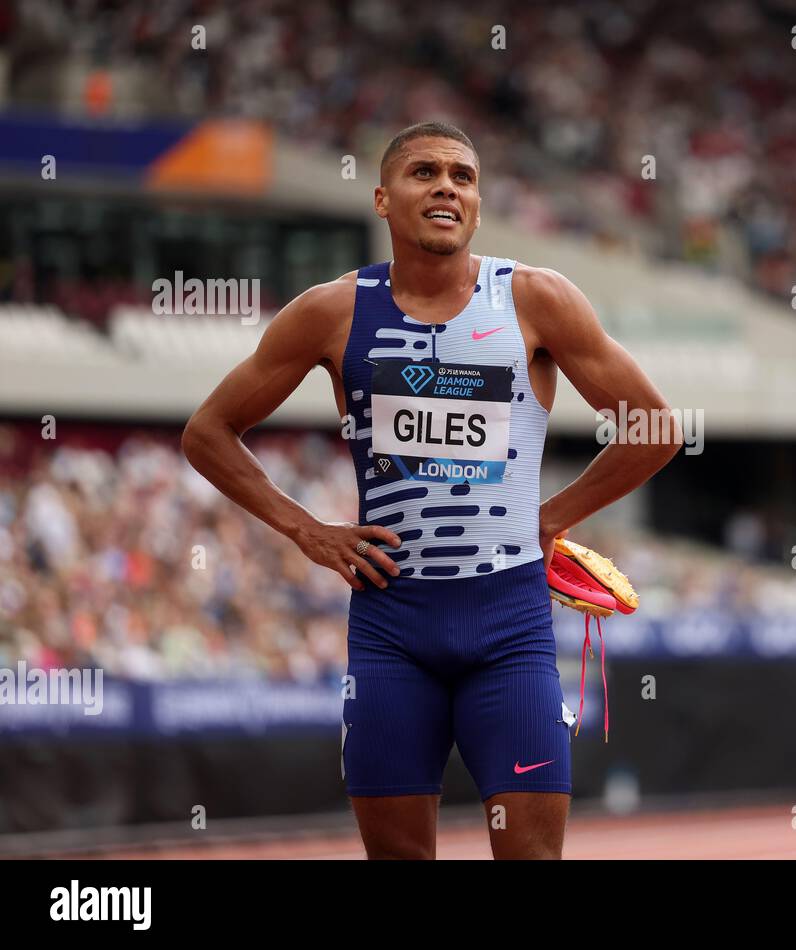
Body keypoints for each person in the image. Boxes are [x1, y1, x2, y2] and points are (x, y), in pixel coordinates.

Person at [182, 121, 681, 859]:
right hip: (391, 630)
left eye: (464, 176)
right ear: (383, 199)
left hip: (509, 627)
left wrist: (553, 517)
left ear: (477, 205)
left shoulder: (536, 301)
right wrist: (306, 530)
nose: (447, 185)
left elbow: (653, 428)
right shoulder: (334, 311)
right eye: (425, 172)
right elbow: (208, 433)